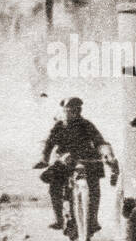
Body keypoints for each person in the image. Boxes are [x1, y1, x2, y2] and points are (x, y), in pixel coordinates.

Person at [35, 98, 113, 232]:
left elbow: (99, 141)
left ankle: (93, 219)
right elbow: (48, 143)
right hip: (66, 160)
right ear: (63, 111)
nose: (70, 113)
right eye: (67, 110)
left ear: (79, 111)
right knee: (55, 184)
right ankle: (58, 218)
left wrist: (107, 155)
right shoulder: (59, 126)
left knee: (94, 187)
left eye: (74, 110)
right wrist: (43, 158)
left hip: (86, 160)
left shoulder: (86, 125)